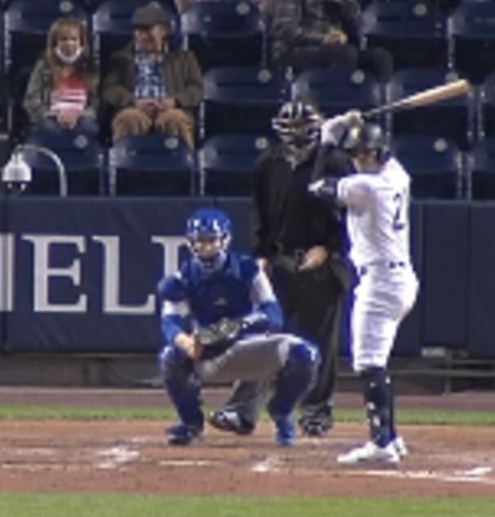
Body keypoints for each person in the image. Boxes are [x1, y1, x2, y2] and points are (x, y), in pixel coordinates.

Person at [210, 100, 353, 439]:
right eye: (291, 128)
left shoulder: (334, 162)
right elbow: (259, 213)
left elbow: (353, 216)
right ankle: (242, 410)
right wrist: (261, 253)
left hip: (323, 264)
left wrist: (330, 248)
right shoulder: (268, 162)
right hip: (279, 259)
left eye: (303, 127)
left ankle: (317, 412)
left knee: (320, 341)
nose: (297, 135)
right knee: (263, 338)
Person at [157, 209, 321, 448]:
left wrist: (237, 326)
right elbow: (169, 321)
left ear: (225, 240)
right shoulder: (182, 278)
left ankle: (282, 412)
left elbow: (273, 315)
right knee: (169, 357)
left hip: (249, 345)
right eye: (199, 241)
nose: (205, 248)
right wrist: (185, 341)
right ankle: (191, 423)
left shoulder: (247, 269)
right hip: (210, 353)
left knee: (305, 354)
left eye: (211, 240)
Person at [307, 118, 418, 465]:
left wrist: (327, 139)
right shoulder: (397, 174)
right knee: (377, 362)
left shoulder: (367, 188)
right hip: (400, 279)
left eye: (362, 153)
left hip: (381, 283)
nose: (358, 158)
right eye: (355, 153)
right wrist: (354, 128)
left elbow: (316, 188)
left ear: (375, 152)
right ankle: (392, 437)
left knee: (369, 363)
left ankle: (381, 442)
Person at [100, 2, 203, 147]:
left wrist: (175, 101)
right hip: (135, 107)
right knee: (129, 118)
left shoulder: (185, 58)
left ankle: (184, 166)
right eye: (139, 31)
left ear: (164, 31)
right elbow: (110, 88)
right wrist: (134, 102)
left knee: (175, 119)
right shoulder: (120, 58)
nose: (143, 36)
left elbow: (196, 89)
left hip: (171, 108)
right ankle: (125, 166)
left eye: (148, 30)